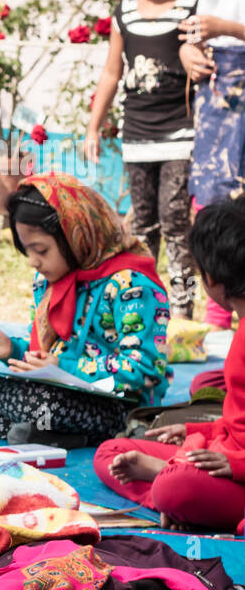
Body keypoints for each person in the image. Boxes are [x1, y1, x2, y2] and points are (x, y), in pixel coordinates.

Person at [0, 174, 171, 447]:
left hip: (117, 408)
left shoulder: (132, 286)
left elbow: (145, 371)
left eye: (41, 250)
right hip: (51, 393)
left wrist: (65, 368)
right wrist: (11, 351)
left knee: (42, 404)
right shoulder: (51, 281)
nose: (33, 261)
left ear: (76, 236)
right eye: (27, 250)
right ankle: (49, 437)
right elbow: (45, 356)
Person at [95, 202, 245, 533]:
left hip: (234, 472)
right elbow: (238, 424)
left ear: (212, 277)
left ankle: (170, 485)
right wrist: (196, 432)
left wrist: (235, 464)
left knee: (172, 488)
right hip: (220, 457)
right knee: (111, 452)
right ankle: (175, 491)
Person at [86, 0, 198, 319]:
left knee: (176, 222)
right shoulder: (125, 13)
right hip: (137, 136)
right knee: (143, 224)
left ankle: (183, 310)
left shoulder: (192, 8)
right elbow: (111, 73)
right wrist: (93, 125)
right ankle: (148, 305)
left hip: (181, 135)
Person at [174, 0, 245, 329]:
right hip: (217, 114)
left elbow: (224, 29)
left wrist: (227, 29)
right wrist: (188, 52)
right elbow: (192, 37)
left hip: (241, 114)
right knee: (211, 206)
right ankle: (218, 317)